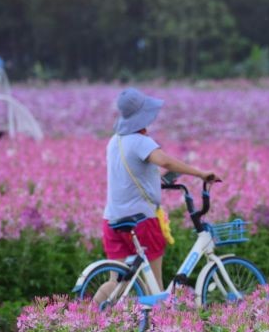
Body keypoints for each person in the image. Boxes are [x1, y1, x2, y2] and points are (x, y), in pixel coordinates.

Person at [94, 88, 219, 304]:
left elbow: (131, 174)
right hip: (141, 221)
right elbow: (165, 161)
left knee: (117, 282)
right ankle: (159, 319)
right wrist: (200, 173)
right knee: (155, 286)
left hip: (112, 220)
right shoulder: (141, 141)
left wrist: (157, 180)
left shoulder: (114, 141)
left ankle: (88, 315)